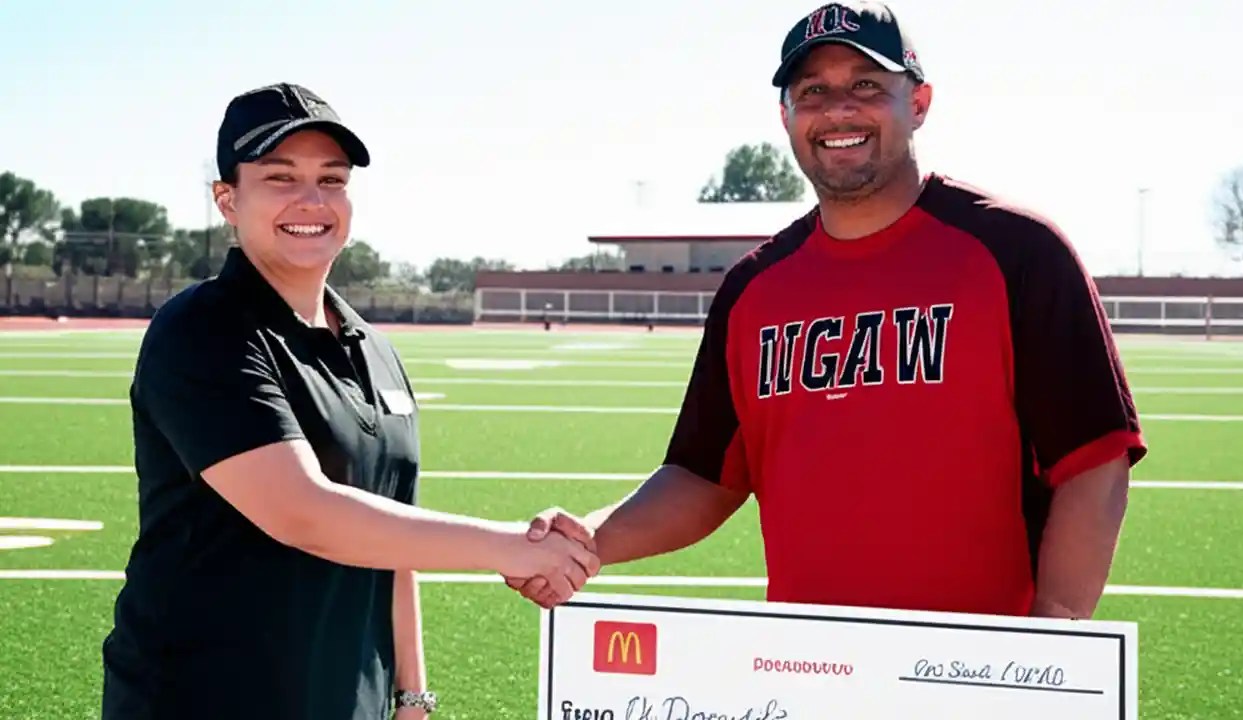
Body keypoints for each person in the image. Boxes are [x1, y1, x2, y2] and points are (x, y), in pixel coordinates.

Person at [508, 2, 1147, 621]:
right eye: (811, 91)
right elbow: (706, 477)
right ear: (785, 115)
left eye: (867, 84)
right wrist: (586, 541)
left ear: (919, 104)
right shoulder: (753, 289)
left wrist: (1050, 643)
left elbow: (1094, 461)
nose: (838, 108)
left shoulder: (1018, 252)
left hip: (972, 672)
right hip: (810, 670)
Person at [100, 83, 599, 720]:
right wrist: (510, 546)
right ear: (227, 198)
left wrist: (412, 697)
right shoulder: (203, 331)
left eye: (331, 180)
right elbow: (302, 511)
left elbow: (394, 537)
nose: (312, 201)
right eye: (281, 177)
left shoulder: (374, 349)